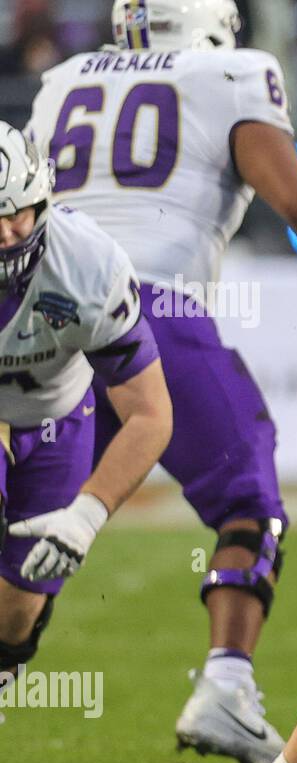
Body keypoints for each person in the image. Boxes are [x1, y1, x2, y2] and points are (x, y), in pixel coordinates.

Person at [23, 0, 297, 763]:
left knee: (31, 530)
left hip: (47, 319)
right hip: (150, 307)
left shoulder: (61, 79)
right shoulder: (232, 72)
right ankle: (225, 682)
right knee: (247, 499)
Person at [0, 126, 172, 672]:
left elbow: (150, 414)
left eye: (16, 214)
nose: (6, 235)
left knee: (15, 614)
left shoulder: (87, 266)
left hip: (59, 419)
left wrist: (88, 515)